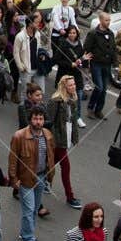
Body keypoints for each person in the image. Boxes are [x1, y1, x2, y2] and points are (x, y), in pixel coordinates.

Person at [8, 106, 55, 241]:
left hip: (41, 176)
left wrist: (50, 174)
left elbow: (50, 156)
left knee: (34, 209)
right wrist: (14, 179)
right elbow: (13, 160)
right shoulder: (19, 136)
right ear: (30, 120)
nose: (38, 122)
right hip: (26, 179)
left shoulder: (47, 135)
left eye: (41, 119)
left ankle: (25, 232)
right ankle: (28, 240)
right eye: (35, 118)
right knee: (29, 210)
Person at [48, 75, 84, 209]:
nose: (74, 87)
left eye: (74, 84)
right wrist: (54, 139)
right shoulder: (56, 101)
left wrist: (74, 137)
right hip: (58, 139)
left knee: (50, 163)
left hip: (66, 136)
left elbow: (73, 121)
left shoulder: (72, 100)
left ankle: (42, 180)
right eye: (70, 85)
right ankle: (70, 197)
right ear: (64, 87)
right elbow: (49, 121)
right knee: (66, 167)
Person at [80, 14, 115, 120]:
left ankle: (98, 110)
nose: (108, 22)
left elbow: (113, 48)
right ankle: (90, 108)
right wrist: (87, 60)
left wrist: (115, 62)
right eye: (106, 20)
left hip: (107, 64)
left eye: (109, 20)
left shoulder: (110, 33)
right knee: (99, 87)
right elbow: (86, 47)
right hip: (97, 64)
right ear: (100, 20)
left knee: (104, 89)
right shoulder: (93, 33)